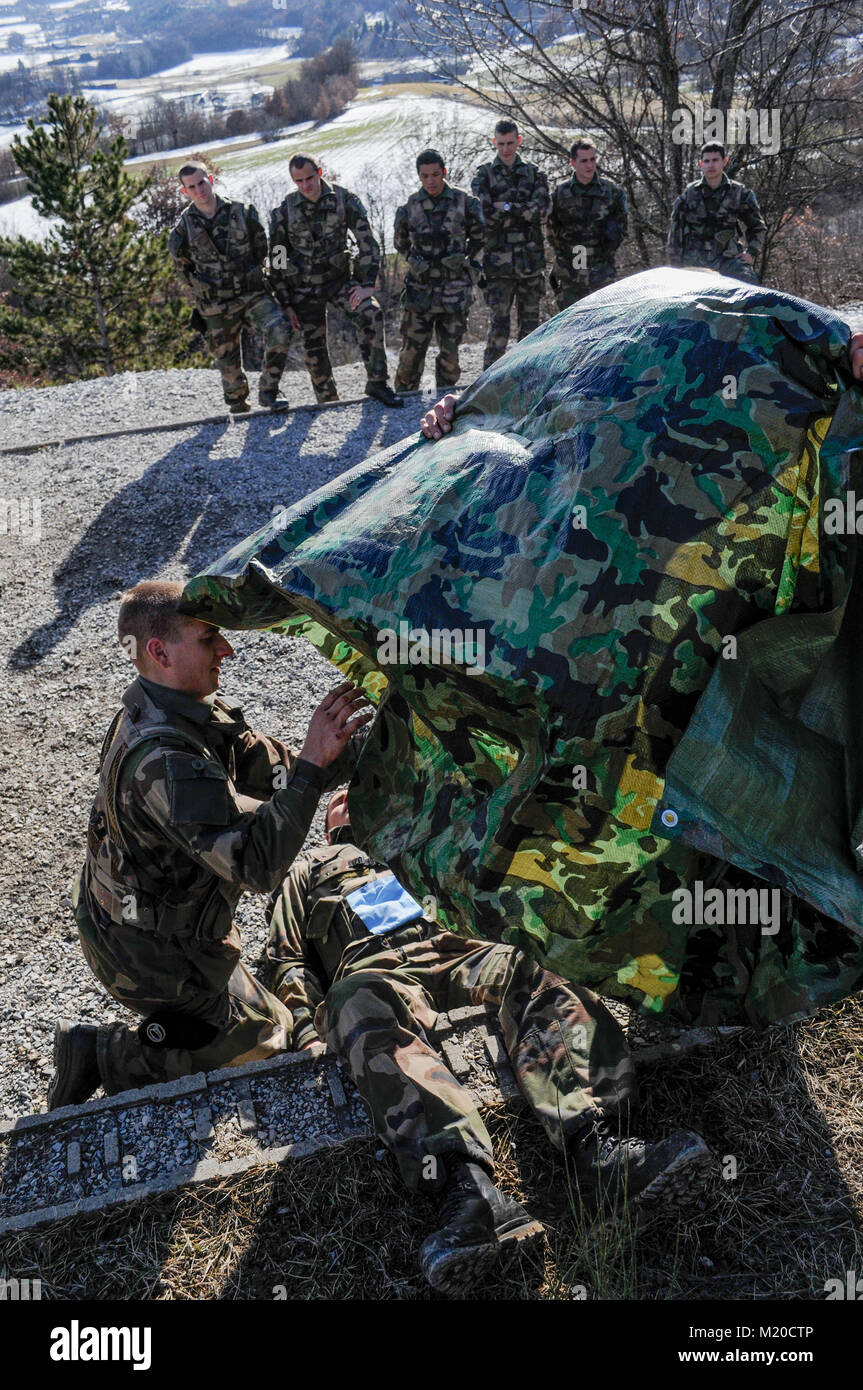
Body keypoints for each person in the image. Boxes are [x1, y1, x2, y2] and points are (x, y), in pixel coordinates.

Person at [265, 789, 710, 1295]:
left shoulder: (415, 829)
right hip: (379, 972)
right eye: (338, 797)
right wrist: (304, 1032)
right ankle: (470, 1193)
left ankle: (597, 1150)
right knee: (351, 998)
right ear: (328, 826)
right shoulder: (306, 874)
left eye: (357, 788)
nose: (349, 794)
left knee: (535, 963)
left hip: (458, 947)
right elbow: (286, 962)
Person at [47, 581, 371, 1109]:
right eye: (209, 638)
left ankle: (195, 1020)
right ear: (159, 652)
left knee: (283, 1020)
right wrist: (313, 767)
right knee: (268, 1047)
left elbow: (274, 773)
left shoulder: (180, 706)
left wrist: (361, 748)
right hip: (145, 951)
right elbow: (258, 864)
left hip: (163, 925)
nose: (228, 649)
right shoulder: (165, 759)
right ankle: (106, 1053)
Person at [268, 155, 402, 408]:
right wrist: (285, 303)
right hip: (303, 289)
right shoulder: (284, 211)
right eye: (299, 181)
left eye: (309, 178)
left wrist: (366, 284)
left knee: (371, 313)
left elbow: (368, 244)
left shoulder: (344, 200)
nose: (306, 186)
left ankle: (378, 383)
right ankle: (328, 401)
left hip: (339, 281)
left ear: (319, 172)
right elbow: (278, 260)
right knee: (313, 344)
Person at [168, 161, 295, 414]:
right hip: (216, 306)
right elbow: (184, 271)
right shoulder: (182, 231)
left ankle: (269, 391)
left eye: (202, 182)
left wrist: (278, 291)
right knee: (230, 373)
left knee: (280, 328)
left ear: (211, 179)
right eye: (191, 187)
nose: (199, 190)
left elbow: (265, 252)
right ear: (185, 192)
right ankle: (239, 403)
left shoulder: (244, 212)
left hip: (251, 295)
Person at [392, 149, 485, 395]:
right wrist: (413, 261)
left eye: (435, 174)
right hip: (420, 292)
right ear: (419, 176)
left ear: (444, 173)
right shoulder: (409, 207)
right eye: (425, 176)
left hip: (454, 291)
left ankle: (444, 401)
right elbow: (400, 244)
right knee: (410, 357)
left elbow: (481, 240)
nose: (430, 181)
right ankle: (404, 401)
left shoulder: (465, 202)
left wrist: (469, 268)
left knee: (450, 357)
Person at [471, 119, 550, 368]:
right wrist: (520, 211)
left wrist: (504, 207)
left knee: (531, 327)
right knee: (499, 327)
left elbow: (539, 211)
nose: (506, 149)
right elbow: (483, 215)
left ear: (519, 141)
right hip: (498, 266)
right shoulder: (483, 175)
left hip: (529, 264)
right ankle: (489, 383)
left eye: (510, 143)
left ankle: (529, 377)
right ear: (494, 143)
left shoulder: (535, 173)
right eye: (501, 144)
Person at [667, 143, 766, 283]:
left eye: (715, 160)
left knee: (750, 286)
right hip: (694, 264)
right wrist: (675, 268)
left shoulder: (740, 194)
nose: (711, 165)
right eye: (706, 161)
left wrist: (751, 253)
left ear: (724, 161)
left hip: (728, 261)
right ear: (701, 164)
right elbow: (675, 236)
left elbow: (757, 227)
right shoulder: (688, 196)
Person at [547, 138, 628, 309]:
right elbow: (551, 230)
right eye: (584, 160)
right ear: (573, 163)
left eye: (593, 159)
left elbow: (622, 227)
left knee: (603, 325)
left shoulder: (611, 191)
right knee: (572, 328)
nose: (589, 165)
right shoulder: (561, 193)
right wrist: (565, 255)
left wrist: (606, 251)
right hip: (571, 274)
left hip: (602, 272)